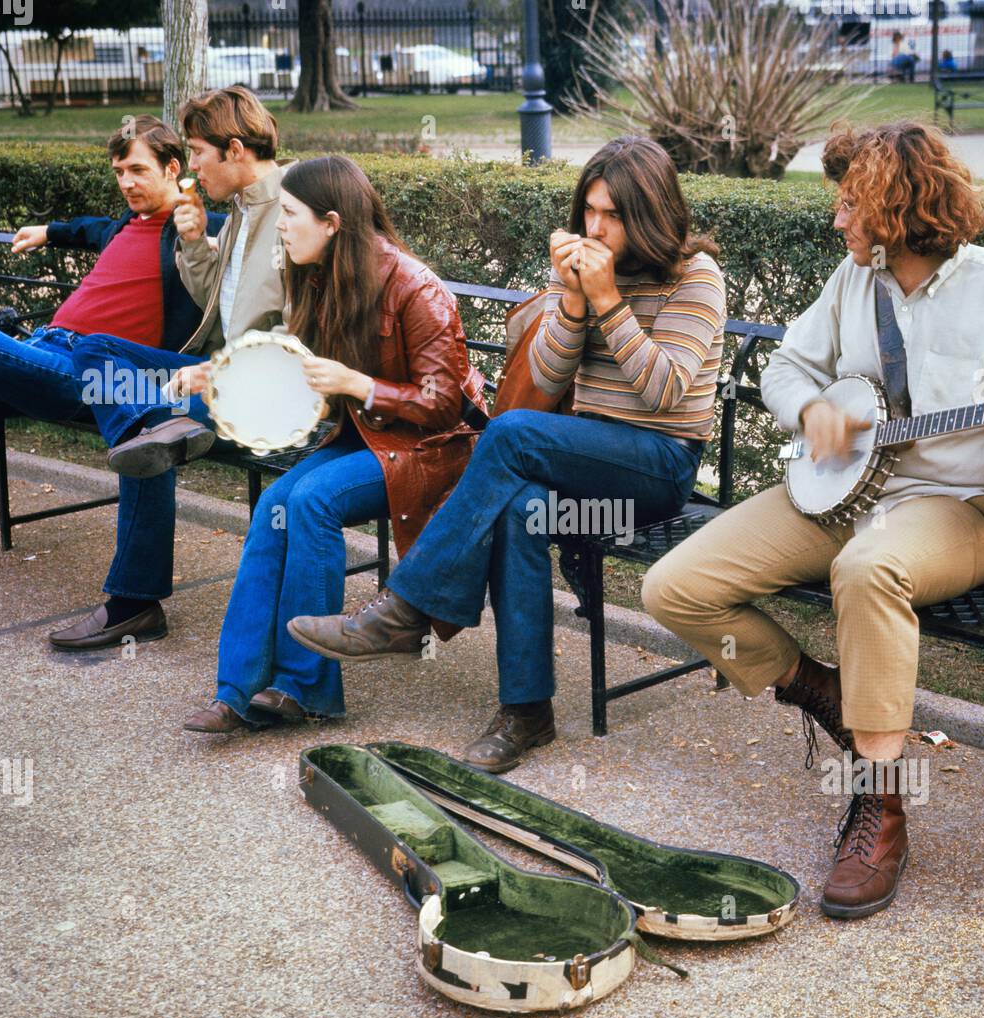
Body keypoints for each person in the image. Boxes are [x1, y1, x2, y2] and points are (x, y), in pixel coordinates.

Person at [641, 121, 984, 921]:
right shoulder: (854, 281)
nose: (836, 218)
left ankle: (881, 803)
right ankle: (824, 692)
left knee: (868, 567)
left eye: (851, 203)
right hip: (845, 495)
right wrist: (812, 411)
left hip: (958, 512)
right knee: (675, 586)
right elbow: (785, 366)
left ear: (898, 208)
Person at [287, 136, 727, 773]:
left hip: (657, 465)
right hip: (577, 454)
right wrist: (572, 302)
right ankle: (527, 710)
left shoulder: (696, 277)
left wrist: (607, 301)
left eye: (613, 215)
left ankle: (406, 608)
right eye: (589, 211)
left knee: (513, 433)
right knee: (521, 507)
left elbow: (662, 390)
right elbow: (547, 377)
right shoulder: (584, 269)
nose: (595, 228)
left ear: (651, 214)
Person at [182, 156, 486, 732]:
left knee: (309, 500)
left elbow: (443, 402)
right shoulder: (316, 274)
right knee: (275, 505)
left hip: (432, 449)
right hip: (369, 437)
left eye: (290, 214)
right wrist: (222, 375)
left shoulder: (416, 286)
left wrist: (359, 384)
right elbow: (297, 363)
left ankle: (304, 688)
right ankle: (236, 690)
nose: (281, 225)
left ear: (331, 222)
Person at [45, 86, 294, 651]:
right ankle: (149, 429)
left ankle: (133, 604)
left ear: (235, 150)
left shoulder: (291, 208)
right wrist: (196, 242)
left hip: (265, 387)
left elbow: (308, 332)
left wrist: (224, 372)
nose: (194, 167)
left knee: (145, 419)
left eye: (199, 153)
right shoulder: (241, 210)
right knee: (98, 352)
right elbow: (217, 305)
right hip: (215, 371)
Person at [0, 114, 222, 431]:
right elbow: (91, 228)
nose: (126, 183)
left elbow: (243, 245)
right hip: (39, 351)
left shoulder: (197, 230)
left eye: (138, 170)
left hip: (91, 375)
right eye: (119, 172)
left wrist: (204, 237)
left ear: (172, 168)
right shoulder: (125, 224)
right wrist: (50, 231)